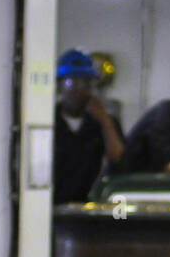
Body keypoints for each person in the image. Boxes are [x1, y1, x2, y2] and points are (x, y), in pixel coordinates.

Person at [53, 48, 125, 204]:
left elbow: (119, 161)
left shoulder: (103, 122)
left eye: (87, 83)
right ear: (60, 87)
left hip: (86, 206)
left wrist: (105, 121)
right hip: (51, 206)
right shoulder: (49, 121)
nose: (80, 91)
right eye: (72, 83)